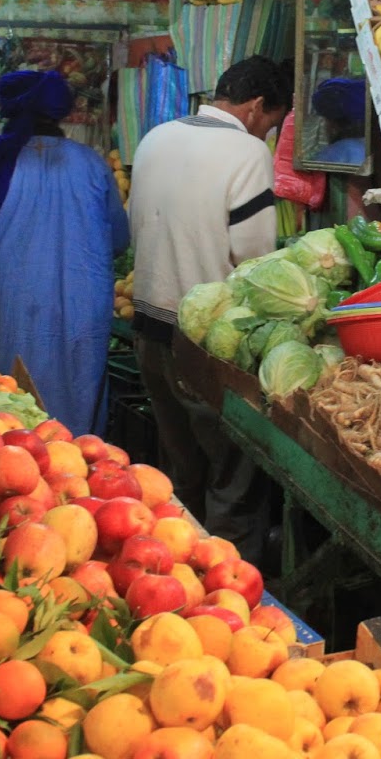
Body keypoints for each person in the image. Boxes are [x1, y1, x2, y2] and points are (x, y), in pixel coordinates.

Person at [127, 56, 292, 565]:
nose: (267, 134)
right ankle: (227, 583)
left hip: (148, 332)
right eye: (272, 123)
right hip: (203, 349)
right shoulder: (247, 151)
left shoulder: (155, 137)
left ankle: (174, 573)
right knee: (232, 484)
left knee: (182, 474)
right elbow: (255, 259)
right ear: (256, 107)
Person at [0, 70, 129, 434]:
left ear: (9, 111)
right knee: (79, 404)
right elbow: (119, 239)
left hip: (13, 309)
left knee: (11, 410)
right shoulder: (92, 164)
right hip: (82, 308)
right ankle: (79, 464)